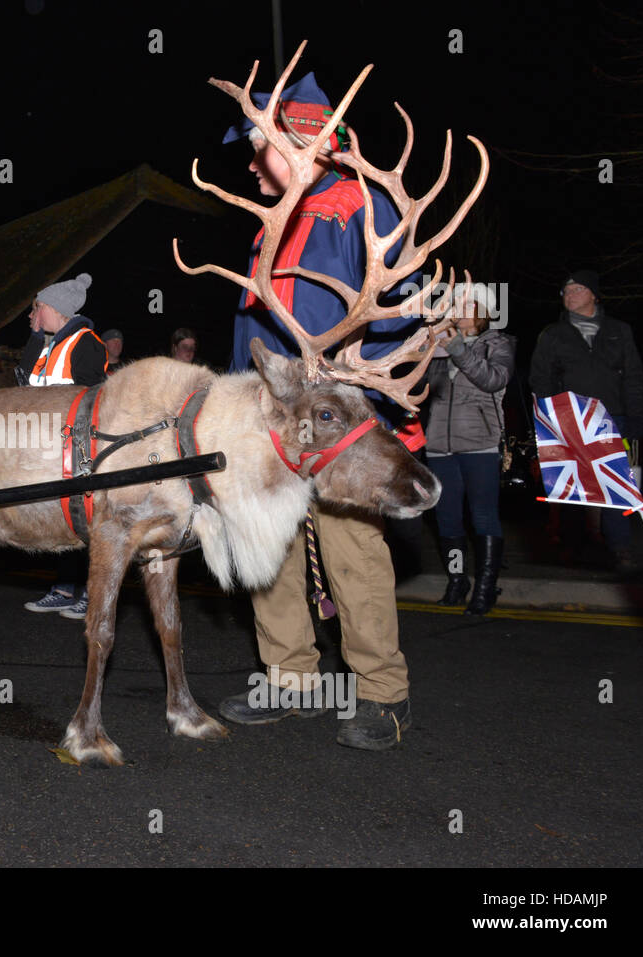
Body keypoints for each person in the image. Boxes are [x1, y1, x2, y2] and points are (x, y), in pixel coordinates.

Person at [214, 73, 419, 750]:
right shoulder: (278, 218)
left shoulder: (360, 205)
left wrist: (385, 412)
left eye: (259, 146)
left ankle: (383, 694)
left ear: (301, 140)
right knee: (267, 546)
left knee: (351, 549)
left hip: (341, 418)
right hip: (269, 419)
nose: (250, 162)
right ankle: (290, 678)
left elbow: (400, 310)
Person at [529, 269, 643, 568]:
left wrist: (635, 421)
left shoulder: (619, 330)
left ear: (594, 294)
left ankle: (620, 549)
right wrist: (550, 421)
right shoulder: (552, 334)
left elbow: (633, 377)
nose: (570, 295)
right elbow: (539, 380)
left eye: (577, 289)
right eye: (566, 291)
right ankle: (573, 549)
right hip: (571, 421)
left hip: (612, 418)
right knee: (573, 490)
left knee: (617, 487)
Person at [15, 272, 107, 618]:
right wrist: (35, 336)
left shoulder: (86, 342)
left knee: (84, 524)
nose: (34, 314)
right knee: (63, 524)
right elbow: (24, 382)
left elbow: (89, 394)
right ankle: (63, 588)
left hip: (76, 449)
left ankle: (90, 593)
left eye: (39, 308)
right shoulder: (51, 343)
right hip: (50, 447)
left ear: (56, 308)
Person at [425, 283, 516, 614]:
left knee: (482, 515)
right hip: (438, 445)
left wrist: (459, 348)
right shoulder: (438, 346)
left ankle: (485, 588)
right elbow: (420, 387)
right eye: (455, 304)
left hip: (480, 443)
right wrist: (427, 345)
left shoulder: (499, 344)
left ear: (484, 311)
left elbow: (493, 380)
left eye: (468, 304)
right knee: (447, 519)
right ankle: (456, 580)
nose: (460, 310)